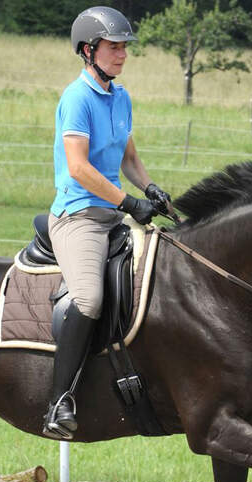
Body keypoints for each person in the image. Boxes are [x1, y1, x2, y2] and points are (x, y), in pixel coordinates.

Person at [43, 6, 173, 440]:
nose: (122, 54)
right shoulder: (76, 98)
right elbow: (78, 168)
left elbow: (128, 157)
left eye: (124, 47)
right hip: (79, 216)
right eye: (113, 47)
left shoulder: (121, 97)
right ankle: (58, 401)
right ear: (88, 50)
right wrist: (129, 202)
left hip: (113, 213)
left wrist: (151, 188)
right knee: (90, 300)